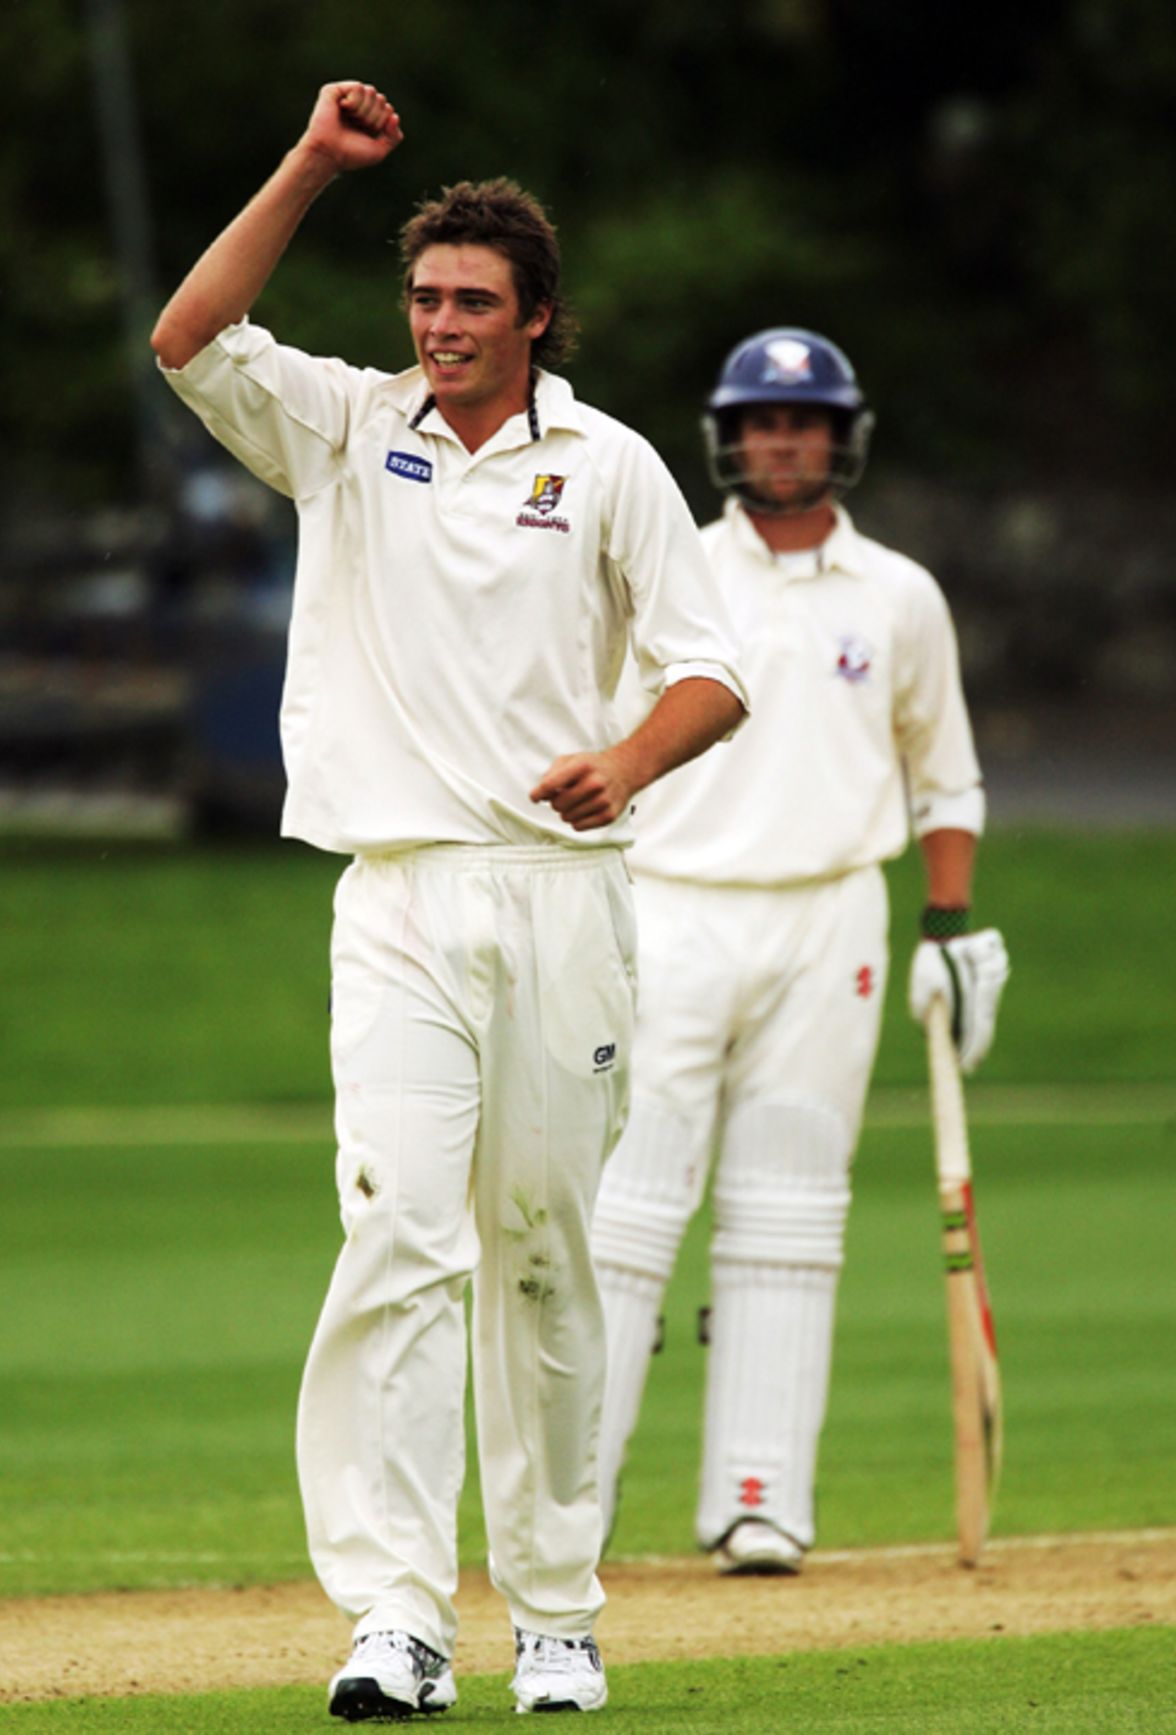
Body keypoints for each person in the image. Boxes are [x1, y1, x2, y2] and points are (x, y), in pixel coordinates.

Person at [151, 81, 748, 1718]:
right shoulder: (350, 427)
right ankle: (397, 1619)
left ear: (537, 318)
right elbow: (190, 338)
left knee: (542, 1256)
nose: (442, 326)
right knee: (398, 1238)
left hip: (563, 899)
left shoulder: (613, 469)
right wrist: (311, 167)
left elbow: (714, 673)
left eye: (475, 302)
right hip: (399, 894)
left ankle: (554, 1611)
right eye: (424, 298)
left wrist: (626, 763)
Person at [590, 327, 1009, 1574]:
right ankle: (572, 1508)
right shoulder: (669, 573)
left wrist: (949, 925)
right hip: (669, 906)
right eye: (765, 421)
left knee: (788, 1216)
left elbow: (946, 777)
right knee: (622, 1218)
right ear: (731, 436)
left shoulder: (899, 596)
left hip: (831, 920)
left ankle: (758, 1497)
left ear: (841, 437)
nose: (783, 440)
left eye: (806, 422)